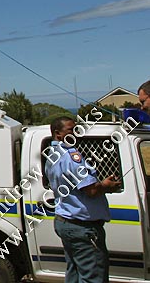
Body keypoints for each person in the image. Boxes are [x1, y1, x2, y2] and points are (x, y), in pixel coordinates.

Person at [45, 116, 119, 283]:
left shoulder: (53, 154)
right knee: (93, 277)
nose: (76, 134)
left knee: (75, 273)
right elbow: (91, 189)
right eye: (71, 130)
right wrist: (107, 185)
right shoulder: (71, 156)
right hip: (82, 227)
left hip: (67, 221)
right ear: (58, 134)